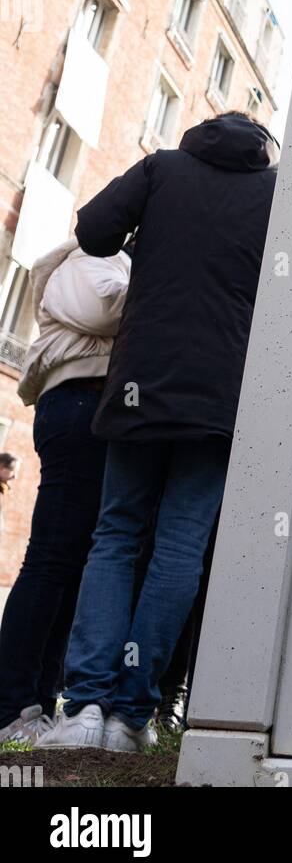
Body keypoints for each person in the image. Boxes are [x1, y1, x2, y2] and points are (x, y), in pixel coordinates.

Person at [40, 111, 279, 752]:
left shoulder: (162, 168)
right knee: (180, 549)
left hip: (140, 384)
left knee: (116, 535)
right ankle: (129, 717)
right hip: (219, 397)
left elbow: (92, 231)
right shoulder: (276, 191)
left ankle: (84, 708)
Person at [0, 240, 130, 745]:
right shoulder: (87, 256)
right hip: (77, 406)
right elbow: (104, 309)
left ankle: (37, 702)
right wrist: (166, 282)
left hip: (95, 411)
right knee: (52, 560)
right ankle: (11, 705)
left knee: (74, 566)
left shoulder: (118, 261)